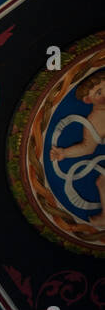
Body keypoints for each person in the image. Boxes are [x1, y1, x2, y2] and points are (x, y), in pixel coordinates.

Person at [48, 68, 105, 228]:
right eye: (99, 93)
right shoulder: (95, 120)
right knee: (103, 181)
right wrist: (64, 152)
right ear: (88, 100)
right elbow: (87, 148)